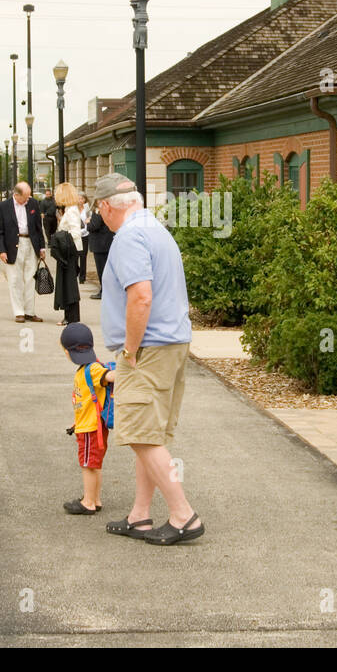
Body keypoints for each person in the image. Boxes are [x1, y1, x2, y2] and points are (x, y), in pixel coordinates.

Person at [93, 173, 204, 546]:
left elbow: (141, 296)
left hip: (148, 349)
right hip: (173, 342)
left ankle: (183, 515)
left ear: (108, 206)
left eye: (99, 209)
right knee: (149, 432)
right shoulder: (156, 228)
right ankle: (140, 515)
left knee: (140, 433)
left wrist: (129, 349)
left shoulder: (127, 237)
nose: (100, 216)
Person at [61, 322, 116, 515]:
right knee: (94, 465)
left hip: (91, 430)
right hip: (89, 425)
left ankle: (88, 502)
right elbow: (87, 401)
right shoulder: (87, 368)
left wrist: (126, 367)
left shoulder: (92, 369)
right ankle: (95, 499)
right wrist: (76, 422)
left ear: (67, 352)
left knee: (87, 465)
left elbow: (109, 376)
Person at [0, 181, 46, 323]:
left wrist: (42, 247)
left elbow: (38, 227)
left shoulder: (33, 204)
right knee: (15, 280)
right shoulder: (3, 207)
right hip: (12, 246)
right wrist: (2, 251)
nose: (28, 199)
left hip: (31, 244)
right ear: (16, 195)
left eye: (29, 196)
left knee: (30, 279)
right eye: (26, 196)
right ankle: (19, 312)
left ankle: (30, 311)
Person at [50, 182, 83, 326]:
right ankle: (69, 315)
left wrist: (61, 237)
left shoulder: (72, 211)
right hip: (68, 251)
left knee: (69, 285)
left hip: (69, 252)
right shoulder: (69, 210)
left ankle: (72, 317)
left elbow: (75, 232)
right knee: (67, 284)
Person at [86, 202, 114, 300]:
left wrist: (88, 222)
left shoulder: (98, 212)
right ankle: (107, 291)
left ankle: (104, 292)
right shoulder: (109, 211)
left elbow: (94, 226)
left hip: (100, 245)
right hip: (106, 244)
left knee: (102, 270)